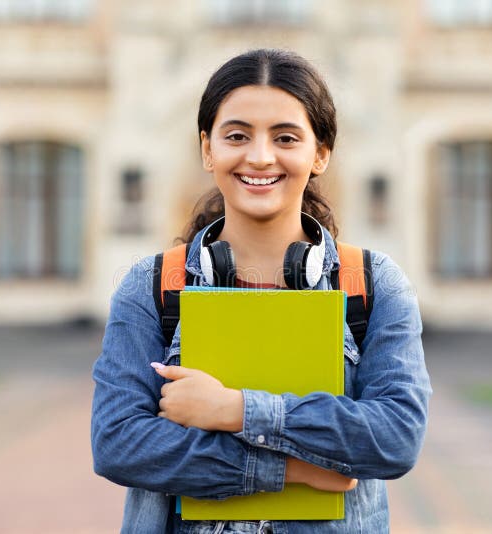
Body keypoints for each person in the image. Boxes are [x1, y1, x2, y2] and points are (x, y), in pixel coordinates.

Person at [91, 48, 431, 534]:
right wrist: (290, 470)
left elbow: (396, 438)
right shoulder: (151, 287)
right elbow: (118, 443)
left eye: (286, 137)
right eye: (237, 136)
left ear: (320, 153)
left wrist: (234, 410)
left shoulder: (374, 285)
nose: (259, 156)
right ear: (208, 149)